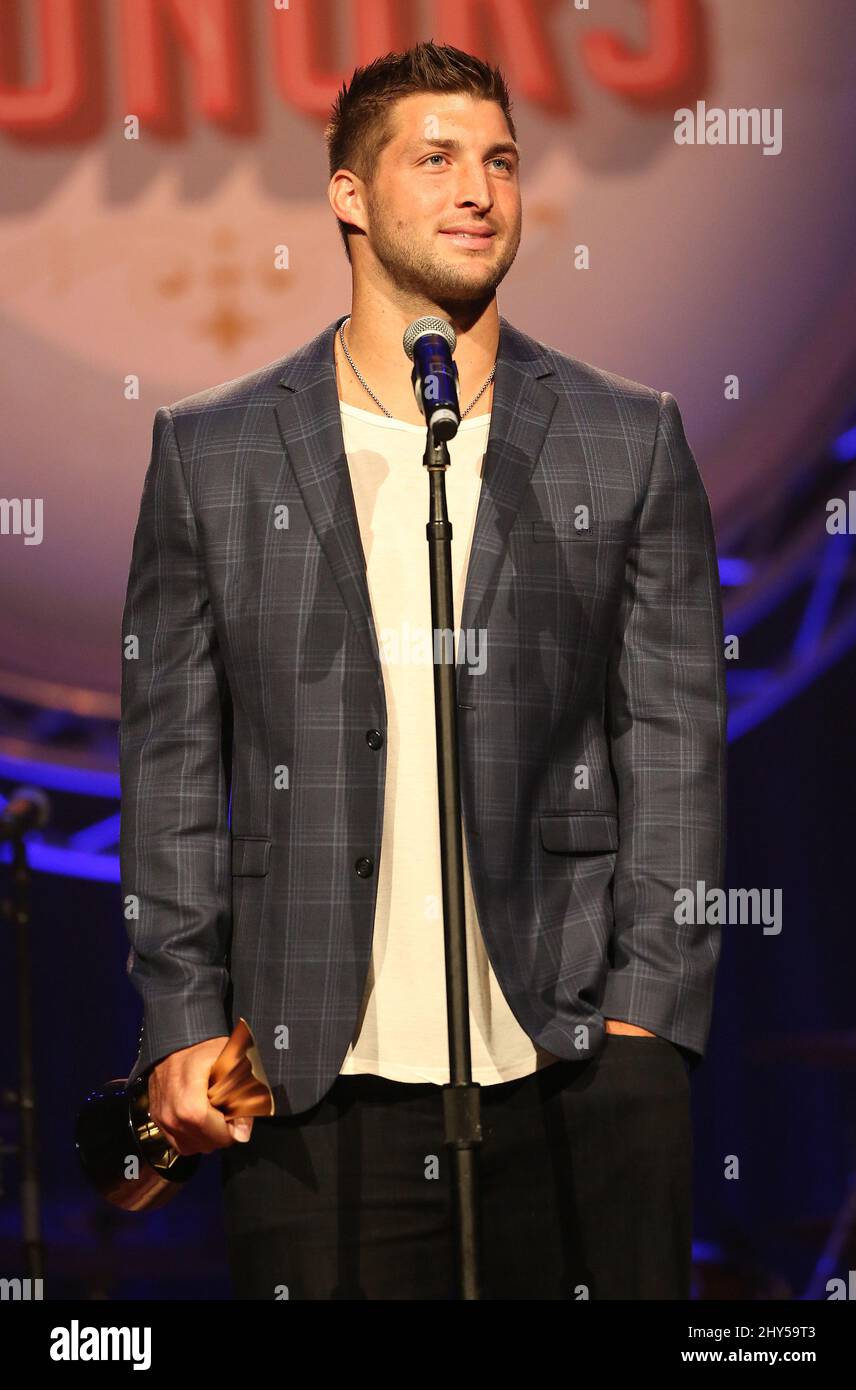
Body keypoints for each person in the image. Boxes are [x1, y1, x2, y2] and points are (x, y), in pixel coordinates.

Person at [119, 41, 726, 1300]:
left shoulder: (628, 438)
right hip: (308, 1077)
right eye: (436, 158)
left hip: (572, 1067)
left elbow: (671, 739)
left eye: (500, 159)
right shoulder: (211, 454)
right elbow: (172, 761)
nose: (479, 190)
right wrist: (180, 1015)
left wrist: (645, 1023)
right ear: (347, 195)